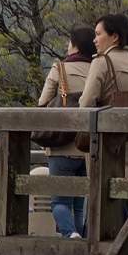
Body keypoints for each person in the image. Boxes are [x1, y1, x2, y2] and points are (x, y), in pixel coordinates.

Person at [80, 14, 128, 229]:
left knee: (103, 210)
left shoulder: (101, 62)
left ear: (114, 37)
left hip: (108, 148)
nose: (95, 39)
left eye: (98, 34)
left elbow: (86, 103)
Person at [37, 27, 96, 239]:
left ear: (76, 45)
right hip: (88, 146)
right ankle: (78, 246)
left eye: (70, 42)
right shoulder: (97, 68)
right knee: (79, 205)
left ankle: (70, 234)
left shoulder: (60, 68)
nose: (67, 46)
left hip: (62, 146)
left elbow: (43, 102)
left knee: (60, 202)